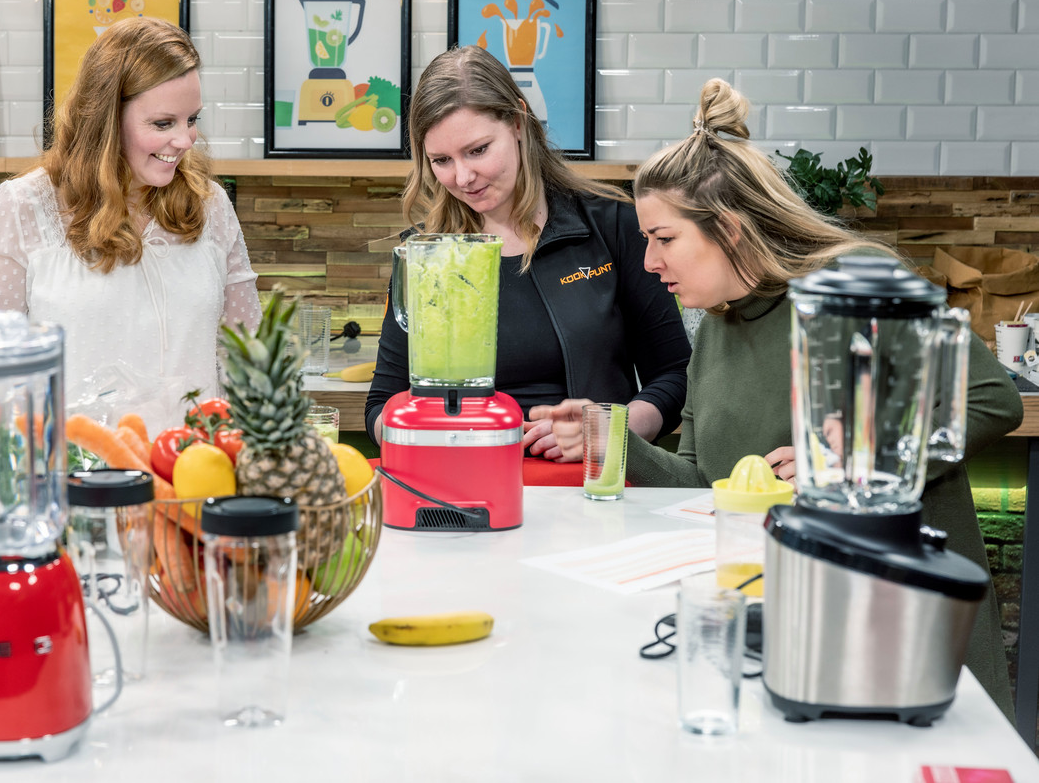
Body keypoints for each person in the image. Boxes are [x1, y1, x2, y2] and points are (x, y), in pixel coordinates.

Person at [531, 78, 1022, 719]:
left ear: (730, 231)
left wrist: (849, 464)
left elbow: (993, 399)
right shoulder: (716, 328)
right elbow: (710, 480)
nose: (649, 262)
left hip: (911, 617)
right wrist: (612, 437)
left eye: (664, 238)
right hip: (804, 620)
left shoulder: (855, 282)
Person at [364, 46, 691, 453]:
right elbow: (381, 405)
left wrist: (611, 433)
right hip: (462, 481)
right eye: (441, 160)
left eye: (478, 150)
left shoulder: (614, 226)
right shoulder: (426, 255)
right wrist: (433, 436)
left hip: (589, 486)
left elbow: (676, 375)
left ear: (517, 122)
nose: (463, 177)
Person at [0, 16, 262, 437]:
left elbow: (245, 363)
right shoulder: (23, 209)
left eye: (192, 119)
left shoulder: (211, 206)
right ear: (106, 119)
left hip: (192, 482)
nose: (185, 140)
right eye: (163, 123)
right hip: (72, 486)